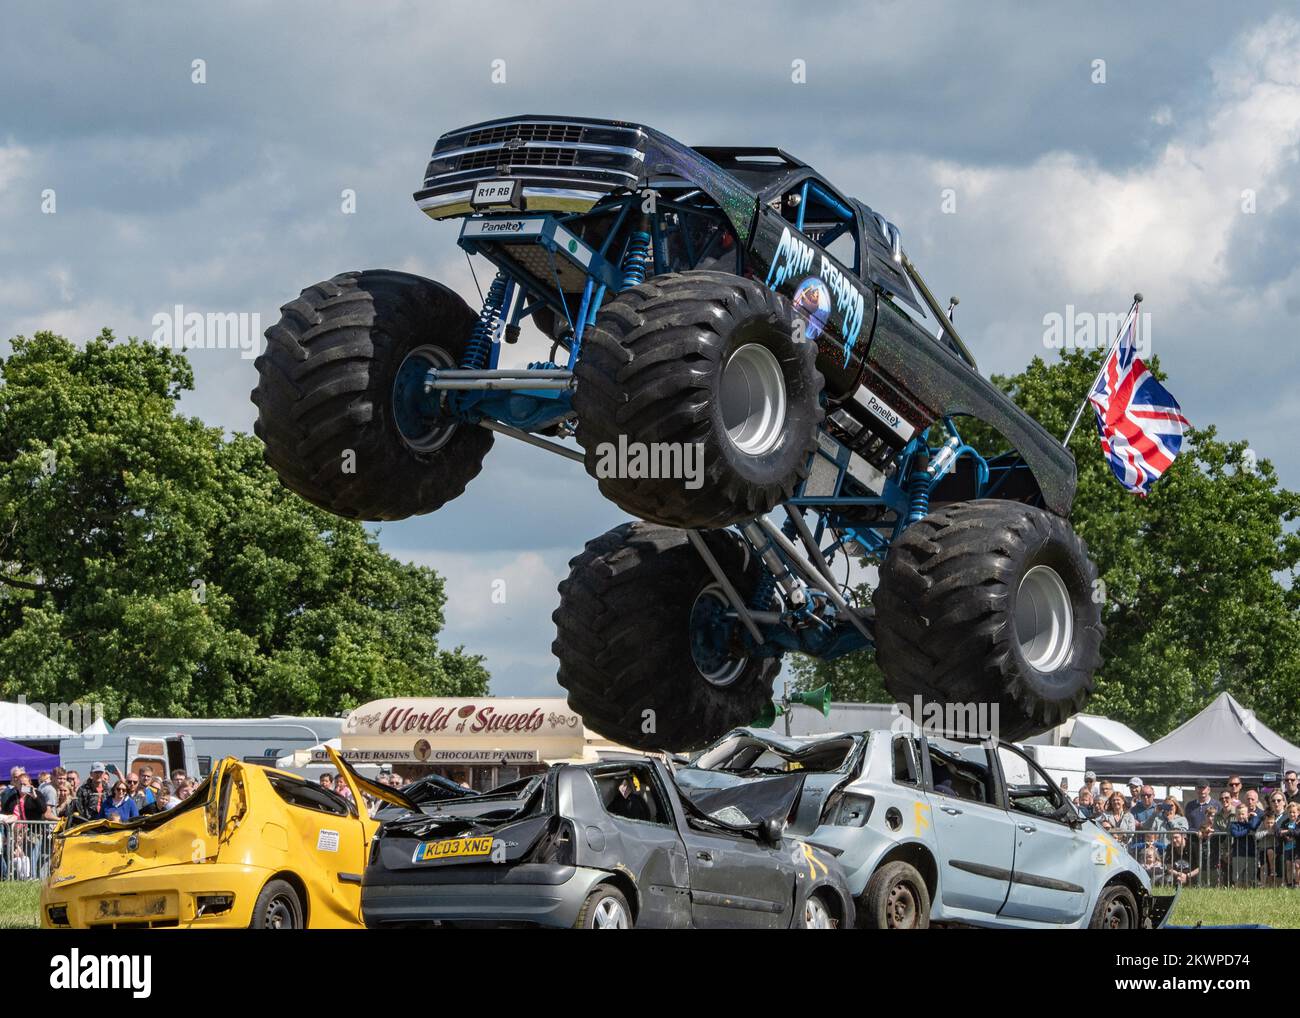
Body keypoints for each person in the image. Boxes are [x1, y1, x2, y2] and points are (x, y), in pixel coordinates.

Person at [1229, 803, 1261, 887]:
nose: (1241, 816)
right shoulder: (1234, 825)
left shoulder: (1249, 824)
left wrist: (1254, 816)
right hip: (1238, 854)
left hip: (1251, 854)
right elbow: (1236, 834)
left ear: (1247, 814)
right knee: (1237, 878)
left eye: (1243, 814)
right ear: (1236, 815)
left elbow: (1253, 825)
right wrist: (1248, 831)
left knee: (1249, 878)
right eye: (1238, 814)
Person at [1276, 801, 1300, 887]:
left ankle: (1297, 883)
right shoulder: (1285, 822)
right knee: (1288, 866)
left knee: (1297, 865)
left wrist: (1287, 832)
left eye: (1294, 812)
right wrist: (1285, 836)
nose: (1292, 814)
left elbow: (1298, 832)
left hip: (1297, 848)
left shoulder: (1298, 822)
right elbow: (1279, 832)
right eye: (1290, 812)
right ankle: (1289, 884)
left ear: (1298, 812)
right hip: (1287, 848)